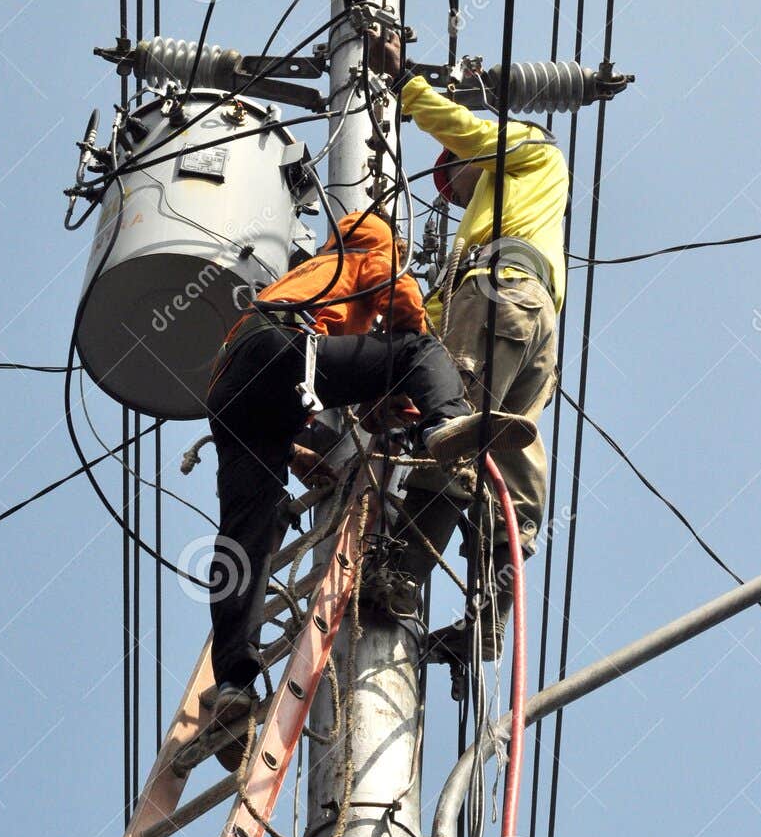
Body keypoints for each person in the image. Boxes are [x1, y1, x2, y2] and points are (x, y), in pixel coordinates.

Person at [202, 204, 535, 760]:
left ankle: (234, 682)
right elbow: (398, 301)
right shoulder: (365, 247)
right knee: (418, 352)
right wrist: (419, 371)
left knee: (246, 534)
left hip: (232, 391)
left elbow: (286, 390)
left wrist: (302, 452)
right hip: (286, 349)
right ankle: (444, 423)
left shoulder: (306, 277)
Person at [365, 28, 567, 659]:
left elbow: (473, 134)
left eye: (458, 178)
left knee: (453, 428)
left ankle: (399, 579)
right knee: (508, 466)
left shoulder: (530, 149)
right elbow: (433, 313)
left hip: (501, 293)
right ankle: (488, 618)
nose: (455, 195)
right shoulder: (500, 226)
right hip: (534, 321)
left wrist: (404, 83)